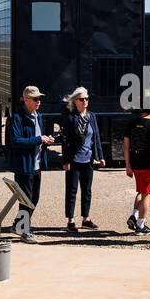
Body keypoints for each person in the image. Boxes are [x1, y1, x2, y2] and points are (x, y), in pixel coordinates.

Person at [7, 85, 54, 243]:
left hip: (36, 165)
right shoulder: (17, 118)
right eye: (35, 99)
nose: (38, 102)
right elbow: (16, 141)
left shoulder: (38, 116)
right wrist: (39, 139)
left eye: (39, 98)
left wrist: (46, 140)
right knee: (25, 200)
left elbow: (38, 138)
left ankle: (17, 225)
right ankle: (24, 230)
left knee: (34, 198)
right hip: (24, 166)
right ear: (26, 100)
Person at [60, 86, 104, 232]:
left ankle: (86, 219)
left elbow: (96, 137)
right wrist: (66, 161)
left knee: (87, 190)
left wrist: (100, 156)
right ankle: (70, 221)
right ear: (75, 101)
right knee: (72, 190)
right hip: (74, 159)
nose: (85, 101)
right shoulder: (70, 118)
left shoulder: (92, 116)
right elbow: (65, 140)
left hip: (88, 160)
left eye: (87, 99)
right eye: (82, 99)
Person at [123, 106, 150, 234]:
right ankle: (141, 225)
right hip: (147, 165)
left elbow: (126, 145)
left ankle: (134, 215)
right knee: (146, 194)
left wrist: (128, 165)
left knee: (141, 190)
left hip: (135, 163)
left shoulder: (131, 123)